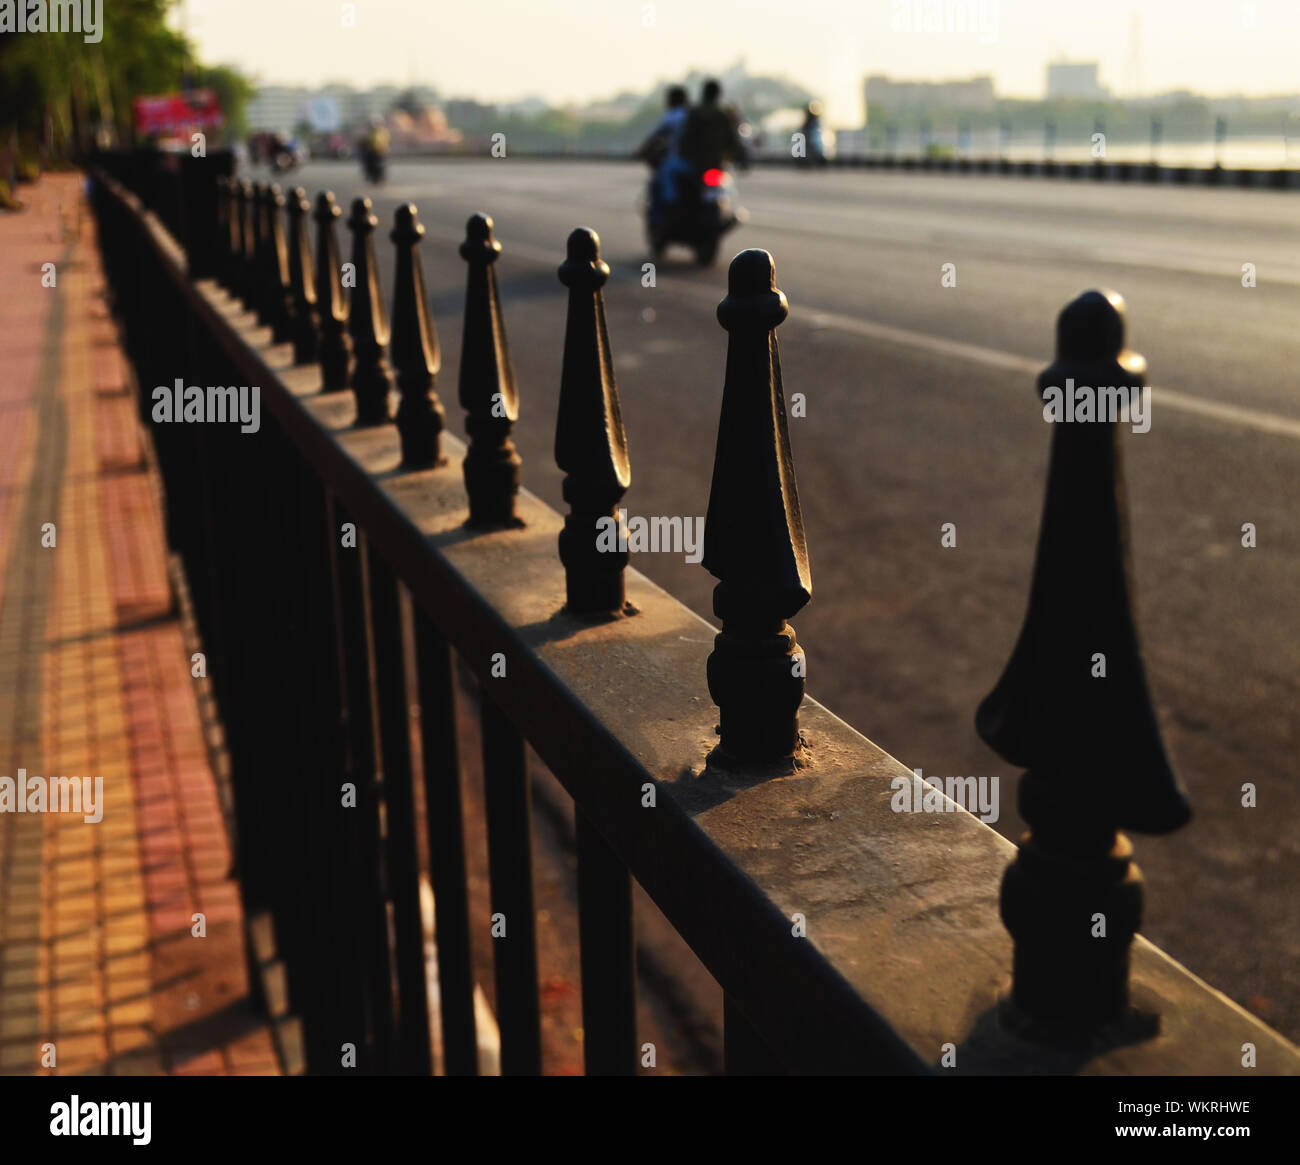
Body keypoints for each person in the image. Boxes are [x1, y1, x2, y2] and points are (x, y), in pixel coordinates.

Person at [636, 86, 691, 226]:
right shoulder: (694, 114)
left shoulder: (674, 116)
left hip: (680, 162)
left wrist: (640, 151)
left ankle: (670, 208)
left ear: (672, 100)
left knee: (663, 174)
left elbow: (656, 136)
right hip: (701, 163)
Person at [678, 79, 746, 174]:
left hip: (695, 165)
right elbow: (732, 141)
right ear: (717, 94)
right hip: (716, 164)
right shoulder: (722, 114)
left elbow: (685, 139)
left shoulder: (694, 113)